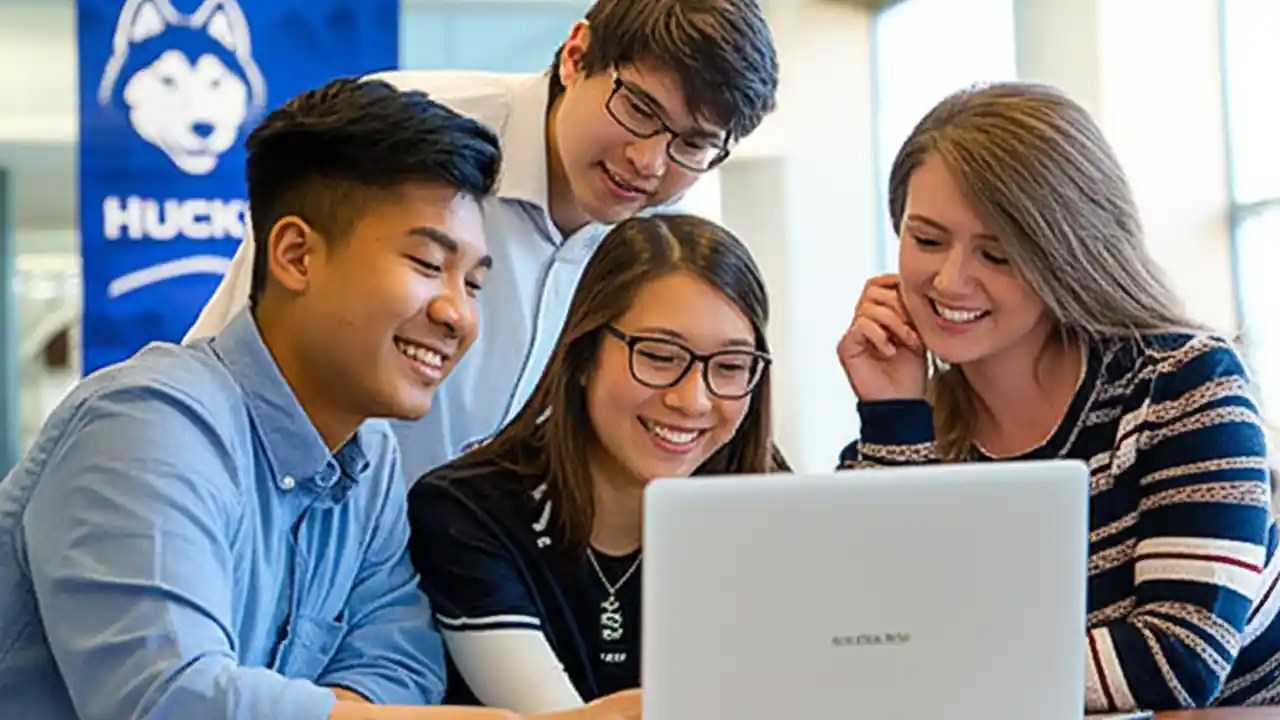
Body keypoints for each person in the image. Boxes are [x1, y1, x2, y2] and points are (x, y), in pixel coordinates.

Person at [0, 77, 637, 720]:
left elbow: (403, 665)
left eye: (473, 282)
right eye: (425, 264)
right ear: (296, 255)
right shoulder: (147, 424)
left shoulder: (369, 459)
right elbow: (168, 700)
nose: (458, 314)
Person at [184, 0, 781, 484]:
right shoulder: (419, 132)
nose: (649, 161)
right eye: (639, 109)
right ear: (576, 56)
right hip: (306, 537)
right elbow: (238, 356)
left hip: (483, 577)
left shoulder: (656, 240)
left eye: (693, 144)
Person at [837, 81, 1280, 712]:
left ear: (1067, 254)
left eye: (997, 253)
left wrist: (937, 675)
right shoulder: (909, 426)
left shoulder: (1182, 382)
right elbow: (864, 647)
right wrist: (892, 416)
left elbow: (1179, 657)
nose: (949, 280)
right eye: (927, 240)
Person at [406, 214, 784, 713]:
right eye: (659, 356)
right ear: (583, 356)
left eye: (731, 367)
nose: (692, 400)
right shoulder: (465, 512)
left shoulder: (768, 507)